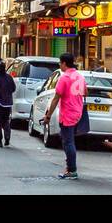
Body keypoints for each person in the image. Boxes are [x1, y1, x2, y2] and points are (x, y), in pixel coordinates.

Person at [44, 52, 87, 180]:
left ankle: (72, 170)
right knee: (68, 140)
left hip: (68, 113)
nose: (59, 65)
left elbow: (56, 98)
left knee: (68, 142)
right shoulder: (80, 76)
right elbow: (85, 92)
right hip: (78, 112)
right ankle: (69, 167)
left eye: (60, 63)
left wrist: (48, 115)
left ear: (64, 63)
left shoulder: (64, 78)